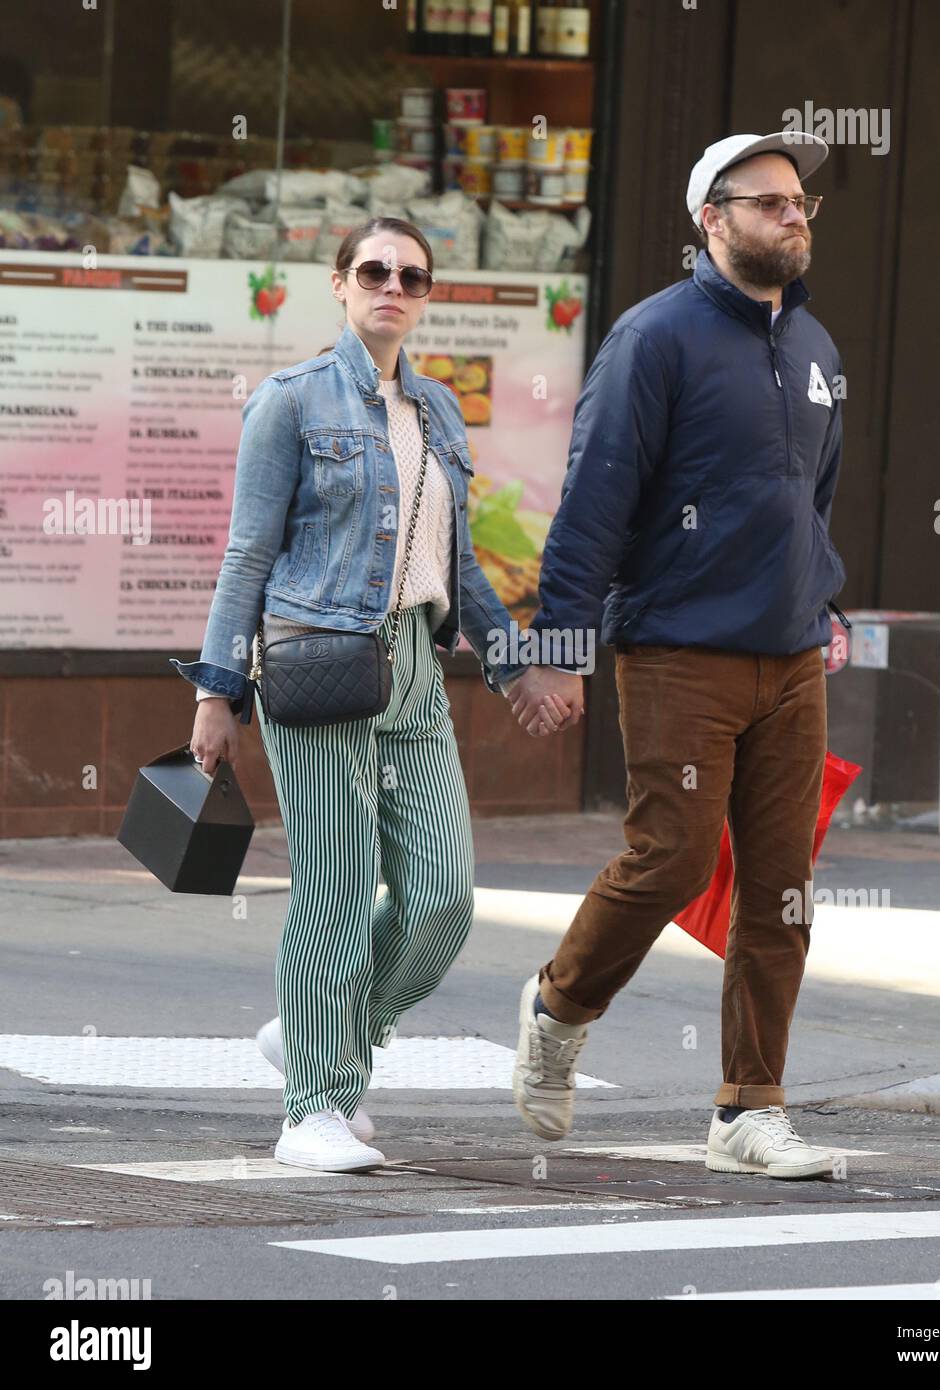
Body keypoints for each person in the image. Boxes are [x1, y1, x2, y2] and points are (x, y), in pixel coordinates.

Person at [173, 217, 576, 1173]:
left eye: (413, 276)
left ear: (428, 295)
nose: (393, 285)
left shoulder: (438, 409)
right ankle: (311, 1104)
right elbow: (246, 556)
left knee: (444, 899)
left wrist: (514, 666)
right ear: (340, 283)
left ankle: (329, 1038)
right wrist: (216, 693)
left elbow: (458, 565)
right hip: (318, 667)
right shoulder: (290, 403)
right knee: (337, 890)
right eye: (374, 270)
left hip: (415, 671)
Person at [510, 132, 849, 1180]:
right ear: (712, 221)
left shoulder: (817, 350)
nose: (792, 217)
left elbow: (812, 498)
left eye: (800, 203)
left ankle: (748, 1109)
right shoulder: (652, 339)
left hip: (789, 658)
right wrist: (559, 651)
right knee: (673, 859)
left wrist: (820, 600)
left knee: (781, 891)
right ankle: (558, 1006)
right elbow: (591, 506)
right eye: (767, 203)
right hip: (677, 651)